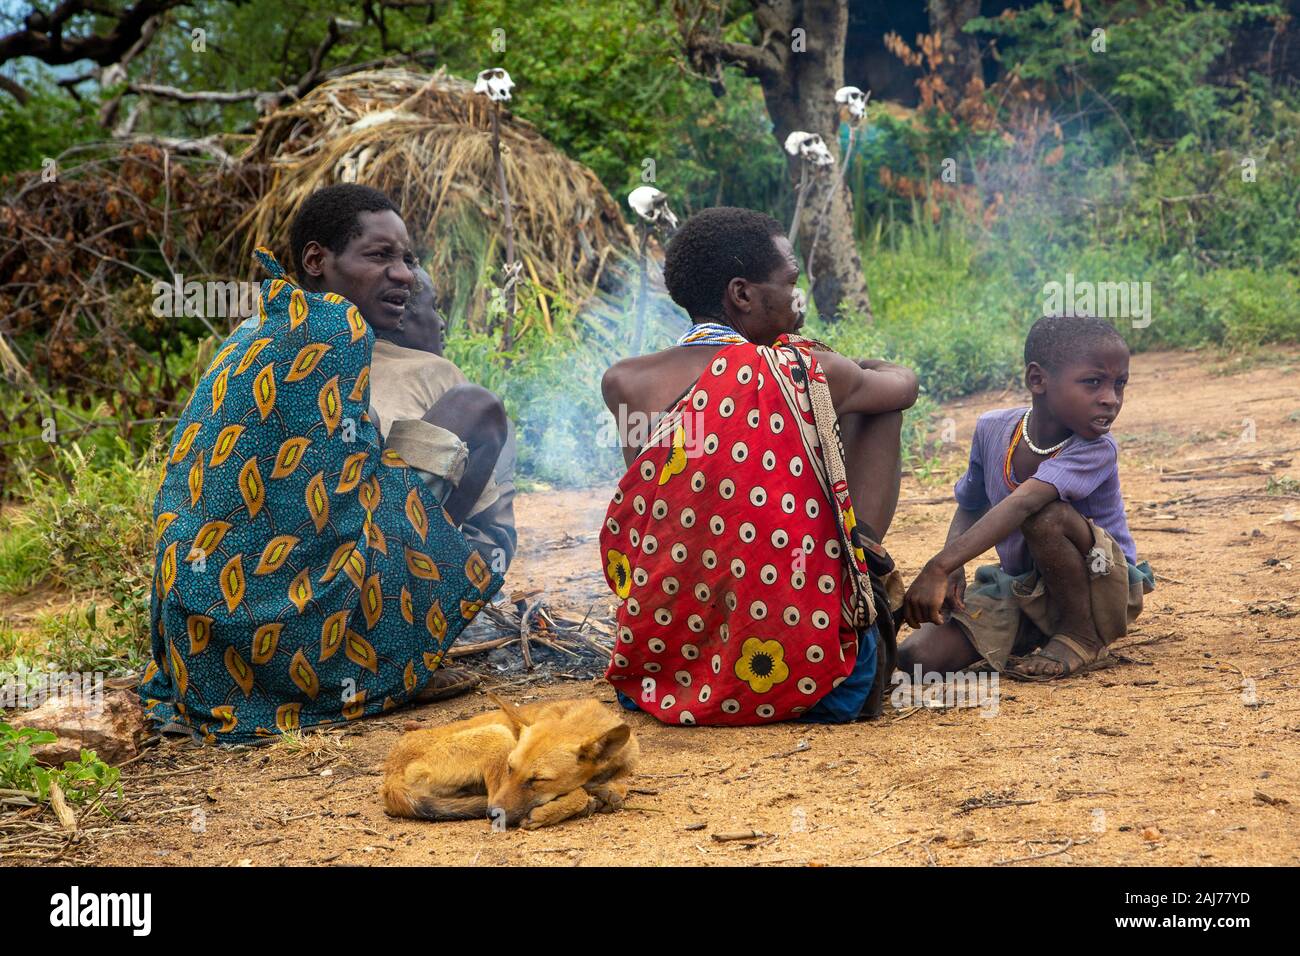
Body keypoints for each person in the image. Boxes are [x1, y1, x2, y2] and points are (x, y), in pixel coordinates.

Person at [138, 184, 505, 742]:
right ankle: (396, 652)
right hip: (294, 638)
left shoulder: (254, 330)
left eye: (407, 258)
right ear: (317, 260)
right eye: (380, 256)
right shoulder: (338, 329)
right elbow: (349, 494)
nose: (404, 274)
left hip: (200, 646)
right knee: (477, 410)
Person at [598, 207, 918, 725]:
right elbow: (905, 386)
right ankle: (866, 557)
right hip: (818, 684)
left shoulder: (627, 382)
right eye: (791, 283)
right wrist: (856, 366)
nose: (799, 298)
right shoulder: (805, 368)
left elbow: (656, 513)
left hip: (666, 674)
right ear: (742, 294)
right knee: (881, 409)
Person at [899, 314, 1154, 680]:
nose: (1110, 399)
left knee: (1045, 516)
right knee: (917, 658)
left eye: (1120, 384)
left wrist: (937, 566)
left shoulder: (1096, 448)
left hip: (1102, 584)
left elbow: (1024, 503)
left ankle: (1080, 634)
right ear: (1038, 380)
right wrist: (954, 566)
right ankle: (1037, 629)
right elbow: (971, 503)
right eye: (1093, 383)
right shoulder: (992, 429)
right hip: (1026, 587)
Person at [364, 261, 519, 700]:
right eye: (434, 307)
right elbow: (489, 517)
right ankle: (412, 644)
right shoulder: (435, 371)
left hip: (315, 596)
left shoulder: (325, 363)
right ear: (403, 315)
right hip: (381, 590)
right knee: (495, 524)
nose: (442, 322)